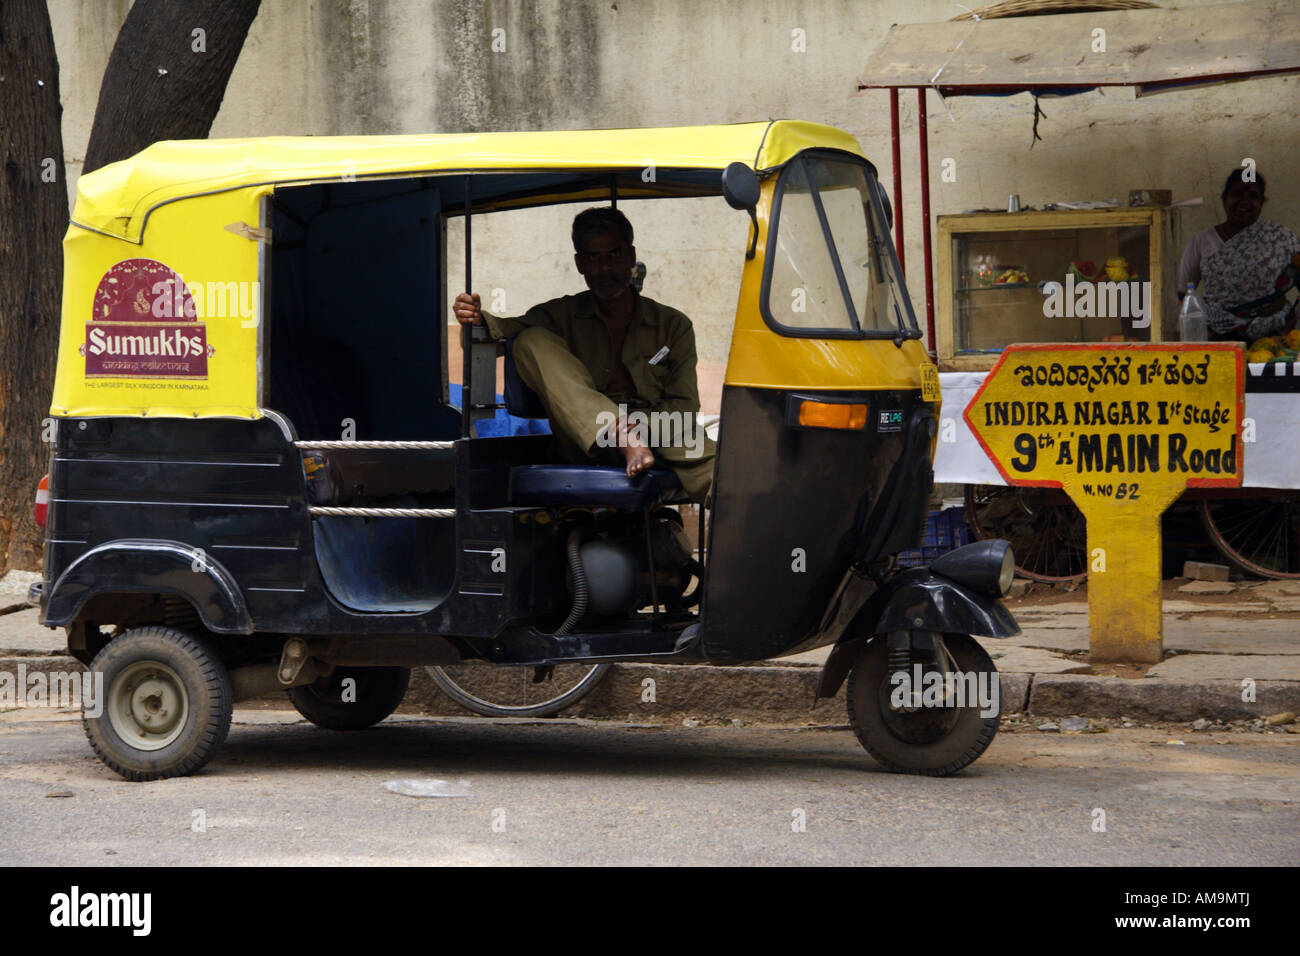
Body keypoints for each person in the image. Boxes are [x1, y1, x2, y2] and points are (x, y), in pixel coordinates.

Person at [452, 207, 715, 503]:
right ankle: (620, 433)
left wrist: (640, 428)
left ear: (630, 256)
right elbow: (499, 335)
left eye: (614, 255)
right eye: (592, 258)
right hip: (583, 438)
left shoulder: (673, 325)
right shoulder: (559, 315)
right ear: (579, 264)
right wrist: (474, 319)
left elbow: (684, 408)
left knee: (728, 474)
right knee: (528, 340)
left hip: (659, 435)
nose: (605, 269)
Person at [1177, 168, 1300, 342]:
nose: (1245, 202)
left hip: (1275, 337)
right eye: (1237, 194)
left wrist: (1293, 325)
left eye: (1253, 196)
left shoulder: (1281, 238)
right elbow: (1181, 294)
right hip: (1220, 339)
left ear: (1262, 202)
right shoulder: (1202, 241)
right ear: (1224, 199)